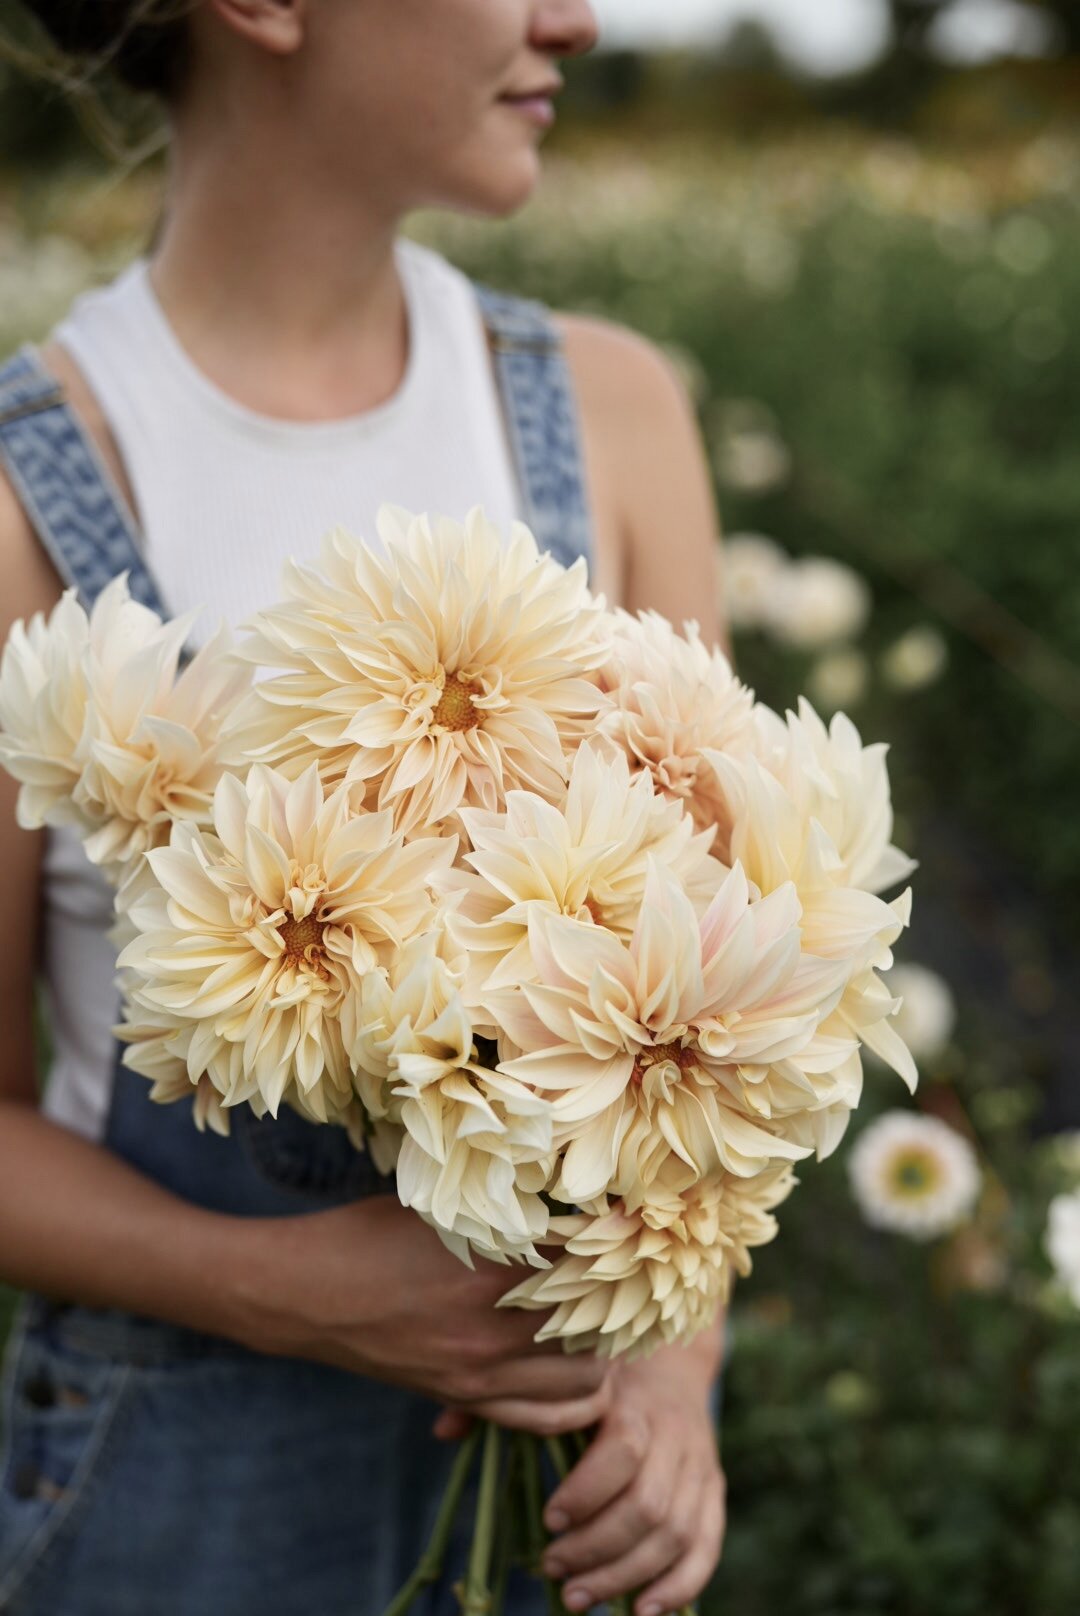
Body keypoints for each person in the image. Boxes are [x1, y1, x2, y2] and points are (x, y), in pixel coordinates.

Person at [0, 3, 730, 1613]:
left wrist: (674, 1373)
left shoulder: (614, 417)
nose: (577, 19)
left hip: (567, 1503)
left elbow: (738, 1002)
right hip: (176, 1509)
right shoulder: (23, 502)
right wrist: (280, 1288)